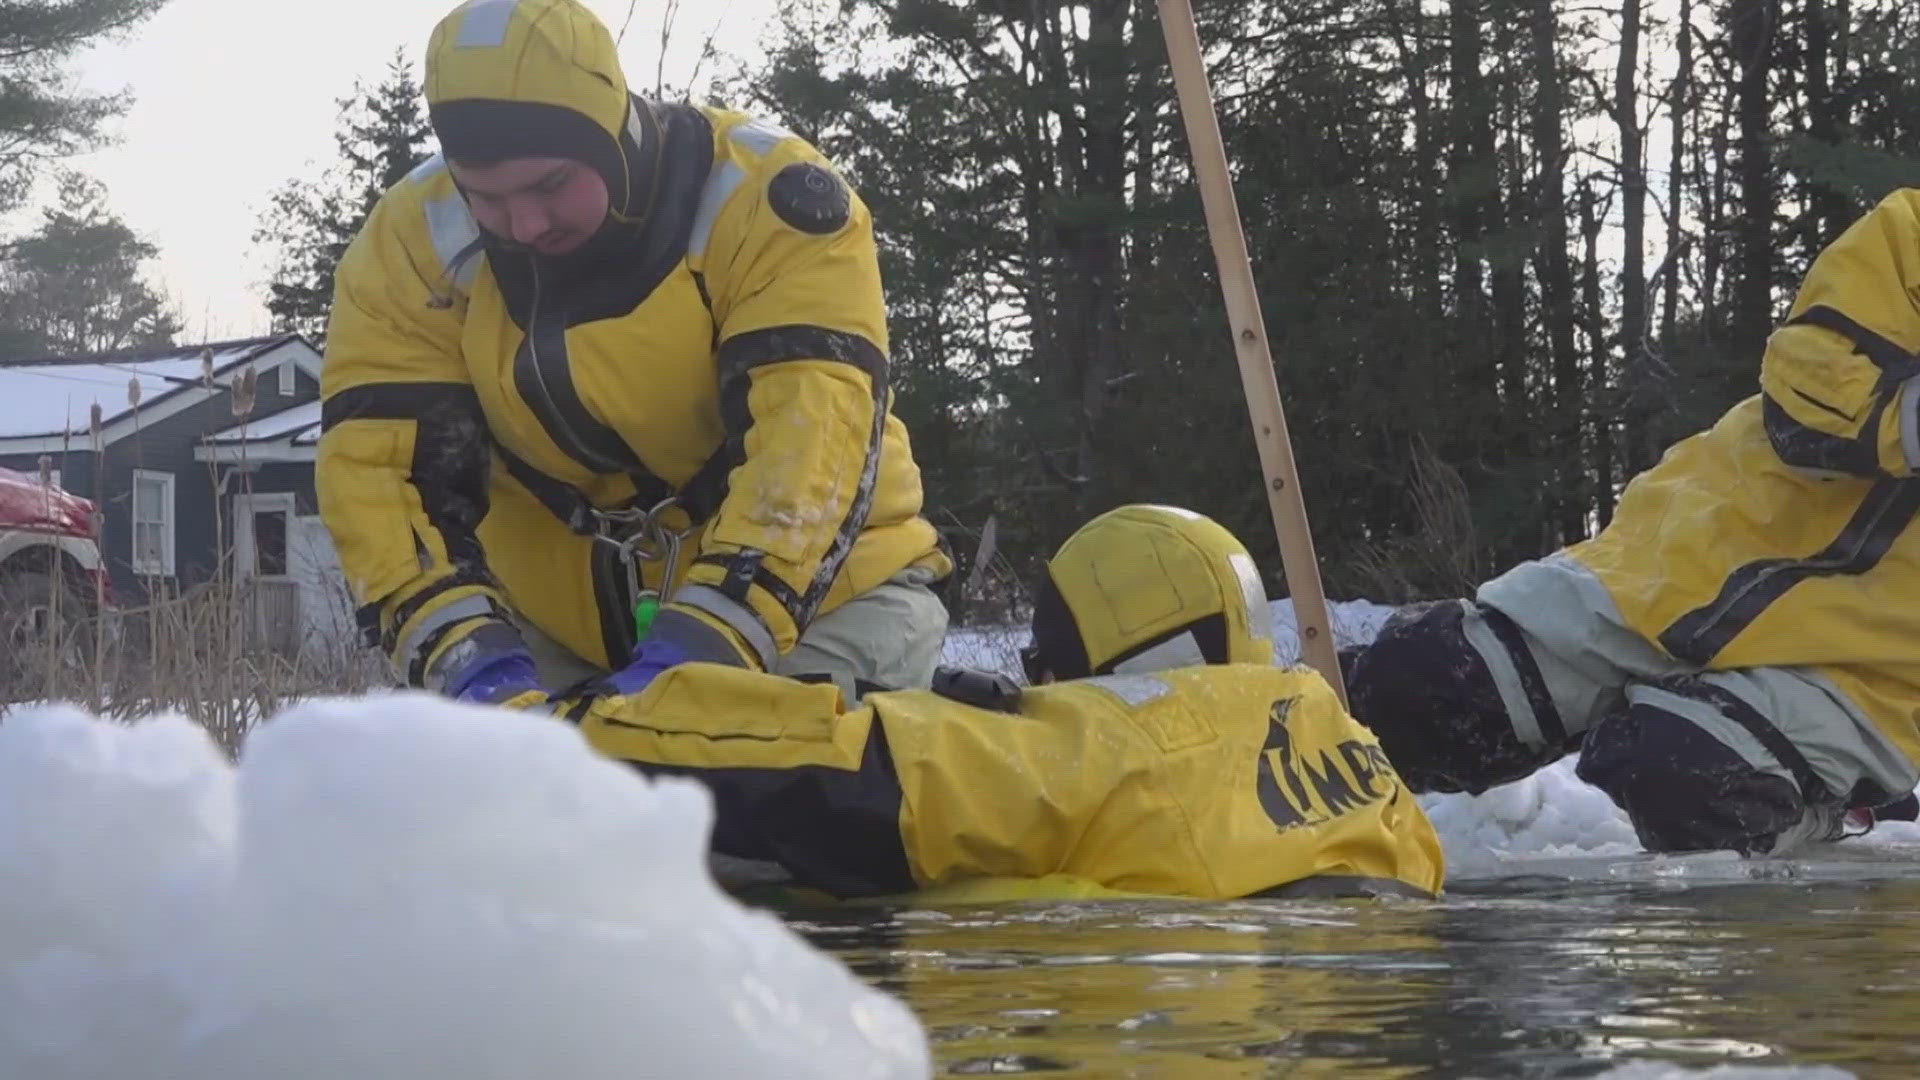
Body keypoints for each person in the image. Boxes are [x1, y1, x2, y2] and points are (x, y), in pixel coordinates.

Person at [316, 0, 951, 708]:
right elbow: (381, 476)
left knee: (751, 767)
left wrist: (707, 642)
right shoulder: (407, 245)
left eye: (552, 184)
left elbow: (811, 442)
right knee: (490, 776)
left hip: (823, 597)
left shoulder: (769, 200)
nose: (523, 224)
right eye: (483, 197)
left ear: (611, 136)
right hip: (553, 629)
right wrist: (467, 660)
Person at [1346, 189, 1920, 858]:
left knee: (1689, 782)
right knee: (1421, 686)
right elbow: (1808, 383)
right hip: (1679, 567)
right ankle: (1254, 770)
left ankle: (1827, 807)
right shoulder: (1909, 231)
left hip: (1859, 675)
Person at [549, 504, 1445, 902]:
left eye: (1047, 659)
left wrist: (576, 730)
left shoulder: (1121, 740)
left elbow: (852, 774)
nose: (1038, 686)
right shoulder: (1342, 741)